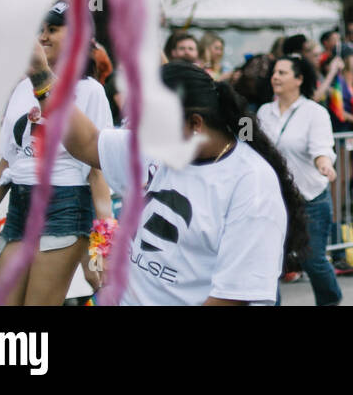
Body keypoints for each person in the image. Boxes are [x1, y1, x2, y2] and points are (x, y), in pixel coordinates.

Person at [63, 60, 305, 305]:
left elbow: (229, 298)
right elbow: (87, 143)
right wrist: (44, 82)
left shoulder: (251, 184)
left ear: (195, 124)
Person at [0, 1, 115, 305]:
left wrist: (102, 247)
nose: (42, 37)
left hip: (63, 207)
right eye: (39, 30)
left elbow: (98, 170)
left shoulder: (90, 91)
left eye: (53, 29)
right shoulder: (22, 87)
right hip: (18, 209)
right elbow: (8, 160)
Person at [258, 55, 341, 306]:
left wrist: (324, 164)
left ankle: (330, 301)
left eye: (282, 72)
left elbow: (322, 147)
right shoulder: (264, 111)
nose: (275, 77)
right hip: (275, 200)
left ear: (299, 79)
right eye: (274, 72)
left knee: (312, 260)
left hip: (310, 198)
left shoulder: (314, 113)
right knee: (269, 260)